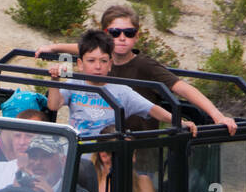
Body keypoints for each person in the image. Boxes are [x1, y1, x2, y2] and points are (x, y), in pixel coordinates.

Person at [37, 4, 237, 134]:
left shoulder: (144, 65)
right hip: (103, 141)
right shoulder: (98, 59)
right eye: (115, 33)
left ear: (137, 36)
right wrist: (54, 47)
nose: (122, 38)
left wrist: (217, 115)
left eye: (129, 33)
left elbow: (181, 88)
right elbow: (85, 50)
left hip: (139, 140)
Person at [48, 30, 197, 138]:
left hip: (105, 155)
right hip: (77, 151)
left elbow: (152, 109)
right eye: (91, 61)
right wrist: (55, 80)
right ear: (80, 64)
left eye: (103, 61)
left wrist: (181, 122)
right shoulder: (75, 83)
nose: (98, 66)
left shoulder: (121, 91)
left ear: (110, 64)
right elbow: (54, 105)